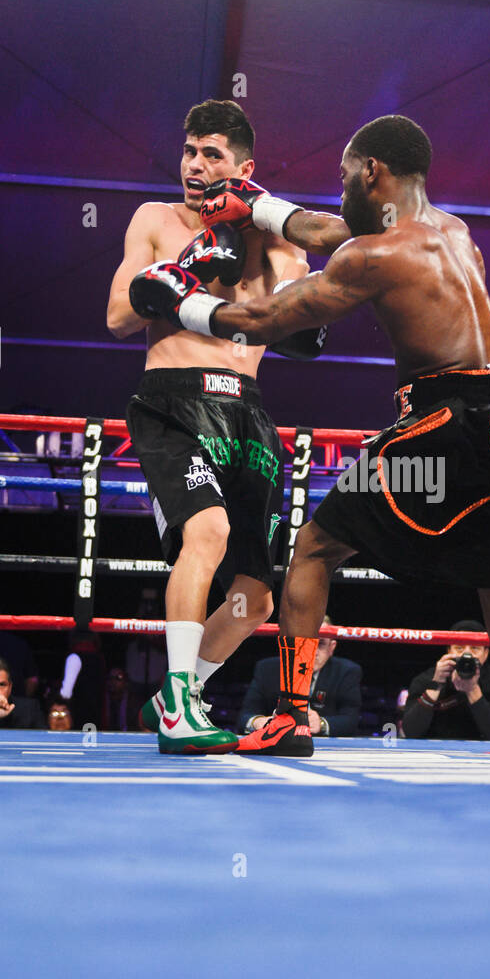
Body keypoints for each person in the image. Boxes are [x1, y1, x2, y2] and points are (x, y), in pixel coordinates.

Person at [130, 114, 490, 770]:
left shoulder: (377, 255)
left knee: (313, 550)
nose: (340, 189)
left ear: (371, 172)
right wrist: (261, 207)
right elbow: (325, 229)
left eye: (345, 176)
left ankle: (291, 715)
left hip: (444, 433)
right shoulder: (454, 233)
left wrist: (179, 304)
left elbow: (266, 318)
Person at [108, 98, 349, 754]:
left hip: (245, 411)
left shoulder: (273, 237)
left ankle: (181, 691)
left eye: (212, 153)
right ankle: (181, 705)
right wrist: (188, 264)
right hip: (173, 399)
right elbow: (118, 316)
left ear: (242, 168)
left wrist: (265, 242)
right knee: (206, 532)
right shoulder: (155, 220)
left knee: (254, 598)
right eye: (189, 150)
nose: (196, 164)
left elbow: (306, 326)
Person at [240, 619, 362, 737]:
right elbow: (245, 715)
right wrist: (257, 722)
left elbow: (351, 720)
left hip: (324, 747)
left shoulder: (346, 671)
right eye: (305, 642)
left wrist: (321, 724)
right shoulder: (267, 669)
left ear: (331, 648)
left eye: (321, 644)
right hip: (277, 741)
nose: (312, 651)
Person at [400, 620, 490, 741]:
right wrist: (435, 685)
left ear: (486, 653)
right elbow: (411, 732)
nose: (467, 654)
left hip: (480, 753)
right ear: (449, 651)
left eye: (475, 648)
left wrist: (473, 690)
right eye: (459, 648)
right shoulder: (426, 679)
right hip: (434, 751)